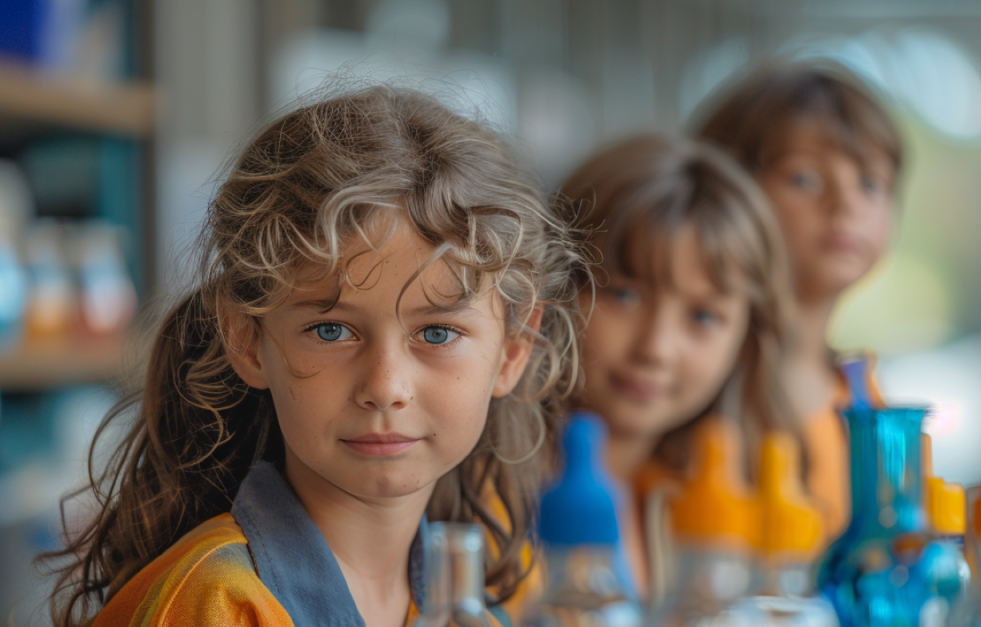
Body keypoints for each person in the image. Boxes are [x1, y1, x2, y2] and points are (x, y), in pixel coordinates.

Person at [41, 86, 588, 627]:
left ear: (514, 350)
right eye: (330, 330)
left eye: (439, 333)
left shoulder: (465, 612)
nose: (386, 385)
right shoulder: (216, 606)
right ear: (247, 338)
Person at [559, 134, 796, 603]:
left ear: (745, 343)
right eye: (624, 295)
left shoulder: (703, 516)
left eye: (703, 316)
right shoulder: (484, 511)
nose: (657, 349)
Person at [695, 63, 902, 535]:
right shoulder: (697, 381)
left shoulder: (863, 392)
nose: (846, 205)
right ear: (728, 192)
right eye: (805, 179)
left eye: (870, 183)